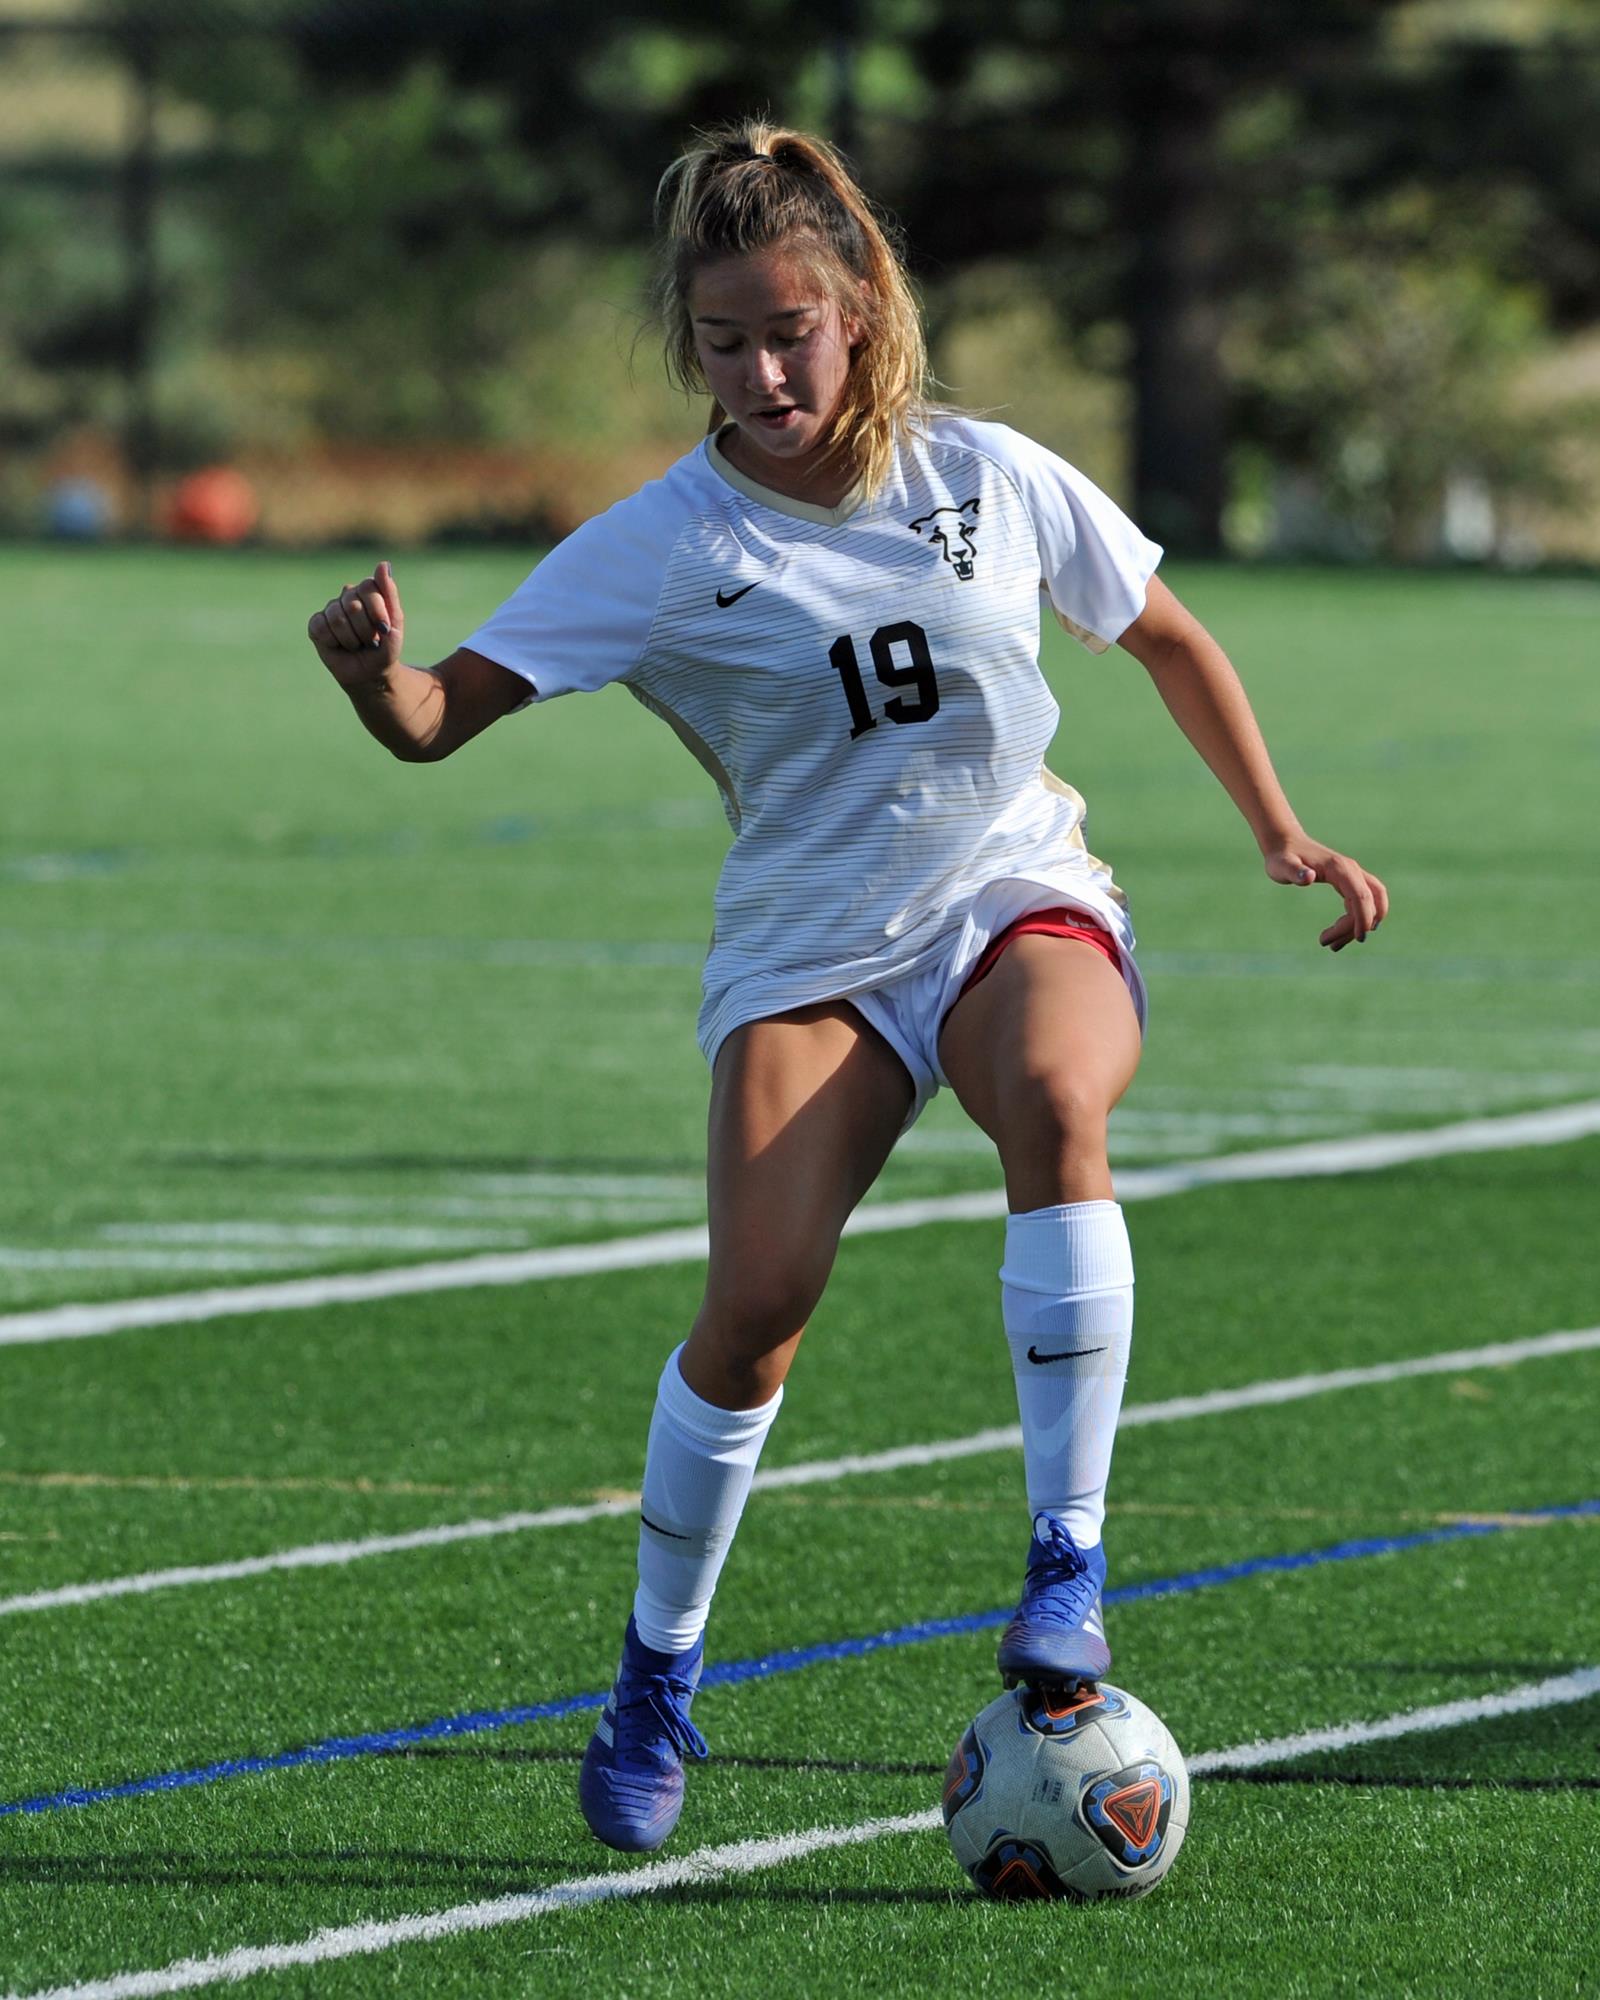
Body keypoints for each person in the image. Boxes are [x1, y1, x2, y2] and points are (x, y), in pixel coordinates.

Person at [308, 119, 1388, 1858]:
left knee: (1059, 1099)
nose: (761, 373)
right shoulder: (662, 541)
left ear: (861, 307)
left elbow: (1166, 632)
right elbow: (442, 718)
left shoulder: (991, 473)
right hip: (811, 948)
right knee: (757, 1307)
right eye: (722, 342)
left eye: (789, 332)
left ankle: (1067, 1565)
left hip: (1012, 893)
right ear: (689, 346)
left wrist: (1281, 829)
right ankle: (657, 1674)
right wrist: (375, 678)